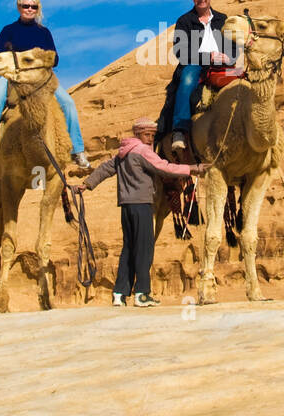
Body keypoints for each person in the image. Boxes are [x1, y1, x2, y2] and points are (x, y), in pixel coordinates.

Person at [80, 117, 207, 307]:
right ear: (138, 134)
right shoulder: (142, 152)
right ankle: (142, 293)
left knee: (129, 248)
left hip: (126, 207)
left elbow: (105, 168)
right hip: (142, 206)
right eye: (147, 135)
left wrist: (86, 184)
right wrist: (192, 169)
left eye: (152, 136)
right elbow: (164, 167)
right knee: (145, 249)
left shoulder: (123, 152)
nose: (150, 139)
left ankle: (119, 294)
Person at [0, 0, 89, 168]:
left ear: (38, 9)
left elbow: (55, 58)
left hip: (41, 76)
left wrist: (37, 60)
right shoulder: (9, 30)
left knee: (67, 103)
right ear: (19, 7)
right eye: (26, 6)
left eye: (33, 7)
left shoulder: (43, 32)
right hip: (14, 75)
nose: (29, 9)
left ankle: (77, 150)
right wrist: (25, 58)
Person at [169, 0, 236, 155]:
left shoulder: (222, 19)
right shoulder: (185, 21)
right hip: (197, 63)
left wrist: (228, 56)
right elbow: (180, 52)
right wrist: (208, 56)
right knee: (187, 80)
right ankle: (179, 131)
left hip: (222, 64)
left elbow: (233, 47)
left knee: (245, 77)